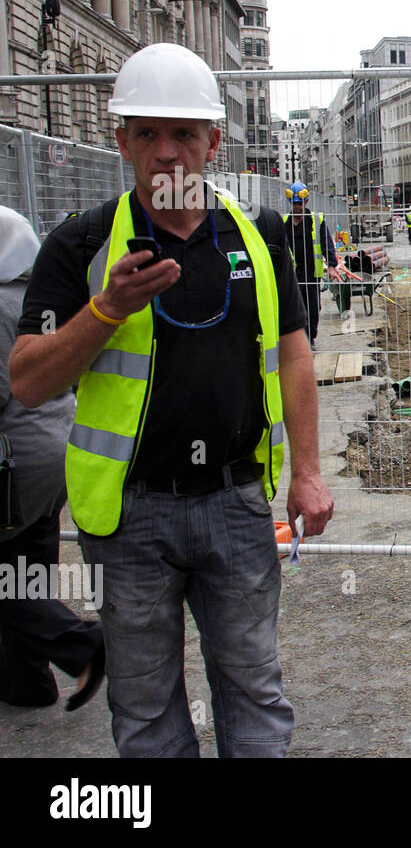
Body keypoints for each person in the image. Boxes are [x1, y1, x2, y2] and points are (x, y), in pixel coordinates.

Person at [8, 42, 334, 758]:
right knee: (147, 708)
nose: (166, 154)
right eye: (147, 133)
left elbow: (294, 355)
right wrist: (105, 311)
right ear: (120, 138)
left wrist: (308, 472)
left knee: (254, 688)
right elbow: (29, 380)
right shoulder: (84, 244)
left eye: (184, 134)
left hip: (236, 503)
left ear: (212, 142)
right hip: (129, 516)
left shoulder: (258, 236)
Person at [0, 207, 105, 713]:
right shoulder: (43, 295)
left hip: (14, 460)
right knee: (26, 565)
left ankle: (83, 643)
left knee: (7, 582)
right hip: (58, 447)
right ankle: (28, 685)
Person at [282, 182, 339, 347]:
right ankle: (298, 340)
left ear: (306, 202)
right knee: (294, 307)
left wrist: (331, 265)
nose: (297, 207)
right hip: (291, 274)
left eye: (300, 204)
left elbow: (326, 243)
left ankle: (310, 338)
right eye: (294, 204)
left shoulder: (316, 220)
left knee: (313, 308)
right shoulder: (284, 222)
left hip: (311, 273)